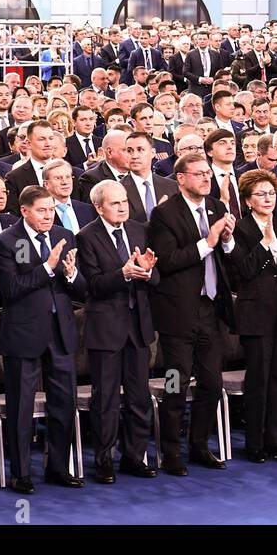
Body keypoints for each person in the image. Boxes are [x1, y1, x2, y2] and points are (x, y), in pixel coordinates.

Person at [0, 185, 88, 494]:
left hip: (61, 332)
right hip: (23, 334)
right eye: (42, 210)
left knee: (64, 405)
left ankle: (58, 467)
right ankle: (21, 473)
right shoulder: (8, 242)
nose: (48, 216)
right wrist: (48, 267)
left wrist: (72, 275)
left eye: (51, 210)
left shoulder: (65, 235)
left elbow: (82, 291)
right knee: (21, 409)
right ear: (24, 211)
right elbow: (12, 289)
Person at [148, 153, 236, 475]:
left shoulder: (216, 207)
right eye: (198, 174)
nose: (205, 179)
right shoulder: (164, 214)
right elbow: (167, 261)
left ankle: (199, 445)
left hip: (210, 310)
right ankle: (171, 452)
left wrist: (226, 241)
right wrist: (209, 241)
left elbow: (229, 256)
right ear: (181, 178)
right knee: (175, 384)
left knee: (212, 384)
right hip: (177, 315)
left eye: (207, 174)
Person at [77, 179, 159, 482]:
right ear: (99, 207)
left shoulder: (139, 230)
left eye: (124, 200)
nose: (122, 206)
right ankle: (104, 459)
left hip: (138, 327)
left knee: (139, 397)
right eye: (115, 202)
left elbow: (156, 277)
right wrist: (123, 274)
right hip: (106, 329)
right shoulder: (86, 237)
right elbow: (92, 285)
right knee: (106, 399)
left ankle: (134, 457)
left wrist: (148, 271)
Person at [222, 170, 277, 463]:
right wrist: (266, 243)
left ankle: (276, 441)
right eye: (260, 194)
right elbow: (241, 272)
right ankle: (255, 443)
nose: (267, 199)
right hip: (256, 314)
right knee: (259, 380)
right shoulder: (240, 230)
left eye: (271, 193)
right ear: (247, 200)